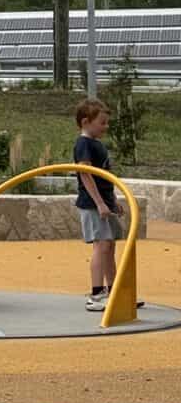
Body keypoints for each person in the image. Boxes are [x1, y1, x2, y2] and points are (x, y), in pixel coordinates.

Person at [73, 99, 123, 312]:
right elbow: (86, 174)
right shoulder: (83, 144)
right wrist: (100, 203)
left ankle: (114, 291)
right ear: (86, 122)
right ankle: (96, 294)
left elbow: (104, 177)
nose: (106, 126)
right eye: (102, 122)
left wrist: (113, 200)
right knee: (101, 245)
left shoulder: (97, 144)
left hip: (105, 202)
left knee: (109, 246)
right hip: (93, 204)